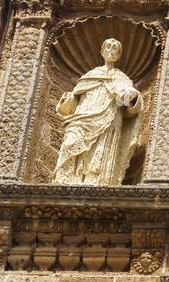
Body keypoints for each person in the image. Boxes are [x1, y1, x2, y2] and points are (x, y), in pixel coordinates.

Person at [52, 37, 144, 186]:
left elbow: (125, 106)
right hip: (83, 116)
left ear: (119, 54)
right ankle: (65, 179)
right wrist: (68, 99)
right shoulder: (90, 75)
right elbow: (74, 101)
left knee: (99, 152)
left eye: (115, 49)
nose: (111, 51)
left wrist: (131, 95)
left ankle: (96, 180)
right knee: (71, 142)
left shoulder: (122, 78)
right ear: (101, 51)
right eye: (108, 47)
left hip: (108, 119)